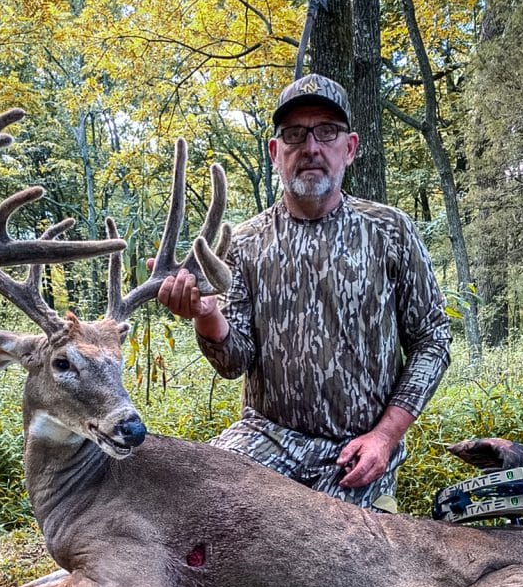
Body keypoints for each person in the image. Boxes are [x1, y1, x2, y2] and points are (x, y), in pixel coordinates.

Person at [158, 74, 452, 509]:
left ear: (348, 148)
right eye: (295, 134)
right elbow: (234, 361)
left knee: (327, 560)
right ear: (276, 153)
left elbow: (433, 339)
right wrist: (207, 314)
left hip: (355, 448)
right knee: (194, 506)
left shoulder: (389, 230)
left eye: (326, 132)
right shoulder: (243, 242)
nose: (311, 147)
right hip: (265, 438)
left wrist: (384, 437)